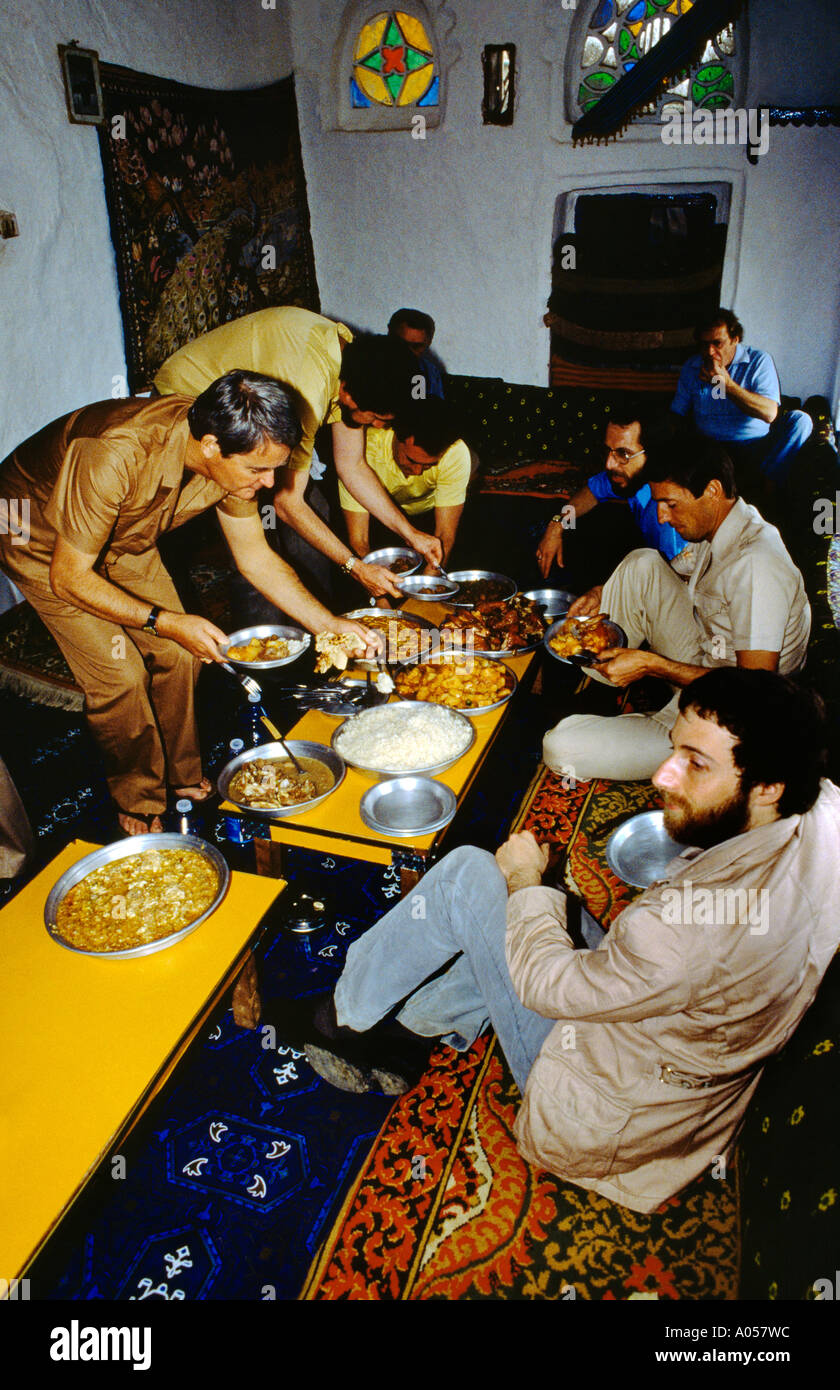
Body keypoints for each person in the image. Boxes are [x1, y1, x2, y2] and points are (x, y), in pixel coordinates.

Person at [268, 670, 840, 1214]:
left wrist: (526, 882)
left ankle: (340, 1017)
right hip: (677, 1077)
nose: (662, 777)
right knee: (521, 910)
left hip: (605, 1114)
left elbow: (548, 987)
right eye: (674, 750)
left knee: (472, 874)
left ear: (769, 787)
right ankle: (413, 1031)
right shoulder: (824, 814)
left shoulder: (685, 933)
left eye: (696, 764)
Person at [0, 373, 379, 836]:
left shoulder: (231, 453)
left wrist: (328, 623)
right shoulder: (114, 453)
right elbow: (71, 576)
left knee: (181, 653)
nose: (269, 482)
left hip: (124, 535)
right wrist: (163, 620)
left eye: (274, 468)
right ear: (211, 446)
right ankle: (138, 797)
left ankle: (180, 775)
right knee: (121, 675)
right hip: (35, 536)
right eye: (258, 470)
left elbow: (255, 557)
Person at [542, 437, 811, 782]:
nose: (662, 517)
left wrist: (654, 665)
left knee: (559, 748)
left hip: (739, 714)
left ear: (712, 491)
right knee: (642, 562)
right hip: (709, 661)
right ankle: (596, 681)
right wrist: (601, 591)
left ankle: (663, 730)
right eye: (659, 503)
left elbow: (755, 691)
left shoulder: (756, 566)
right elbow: (670, 573)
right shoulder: (725, 525)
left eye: (670, 504)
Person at [154, 307, 443, 599]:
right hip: (189, 401)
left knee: (314, 517)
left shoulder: (357, 365)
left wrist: (411, 534)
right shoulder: (307, 390)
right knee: (260, 548)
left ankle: (319, 621)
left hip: (252, 422)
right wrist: (355, 567)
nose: (379, 426)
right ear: (347, 394)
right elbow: (287, 503)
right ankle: (266, 622)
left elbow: (352, 465)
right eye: (378, 418)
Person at [535, 408, 688, 581]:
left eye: (624, 454)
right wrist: (558, 524)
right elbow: (593, 491)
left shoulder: (673, 517)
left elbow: (675, 585)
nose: (609, 464)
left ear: (653, 455)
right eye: (609, 450)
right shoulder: (633, 478)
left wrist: (608, 592)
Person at [671, 308, 812, 488]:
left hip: (754, 444)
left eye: (717, 343)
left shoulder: (758, 361)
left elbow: (769, 414)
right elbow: (677, 414)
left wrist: (727, 385)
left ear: (735, 339)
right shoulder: (692, 366)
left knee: (800, 420)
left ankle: (768, 484)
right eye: (704, 344)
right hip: (710, 448)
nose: (710, 351)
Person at [339, 398, 472, 569]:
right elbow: (359, 541)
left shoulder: (455, 454)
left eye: (428, 465)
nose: (417, 471)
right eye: (411, 460)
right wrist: (371, 579)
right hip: (376, 518)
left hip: (427, 516)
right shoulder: (362, 452)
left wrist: (426, 584)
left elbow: (445, 535)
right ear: (397, 437)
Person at [388, 307, 445, 399]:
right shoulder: (368, 359)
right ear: (389, 333)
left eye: (416, 347)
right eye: (401, 344)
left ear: (428, 343)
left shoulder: (429, 372)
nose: (407, 352)